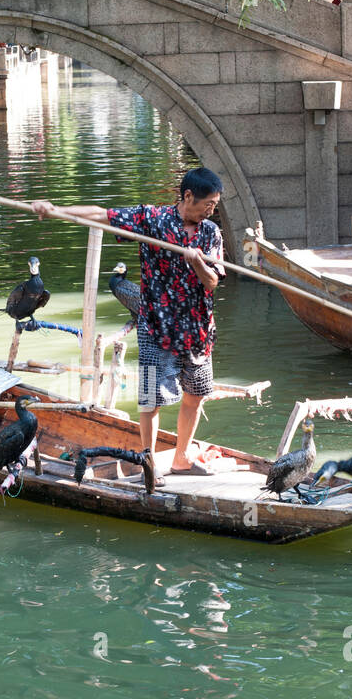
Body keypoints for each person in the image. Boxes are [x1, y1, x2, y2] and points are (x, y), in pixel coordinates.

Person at [30, 168, 224, 475]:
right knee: (149, 400)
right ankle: (148, 463)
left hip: (197, 332)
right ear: (188, 196)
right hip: (155, 328)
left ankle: (181, 457)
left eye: (215, 204)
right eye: (208, 204)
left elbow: (212, 282)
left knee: (196, 395)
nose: (211, 210)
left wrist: (197, 260)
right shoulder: (152, 219)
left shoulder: (211, 232)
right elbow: (102, 215)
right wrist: (56, 210)